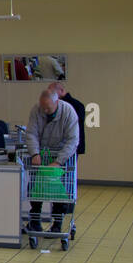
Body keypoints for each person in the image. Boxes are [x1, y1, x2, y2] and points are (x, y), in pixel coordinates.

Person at [23, 89, 78, 235]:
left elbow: (73, 140)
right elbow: (31, 133)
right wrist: (34, 153)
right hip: (41, 154)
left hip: (60, 155)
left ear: (57, 102)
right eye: (43, 107)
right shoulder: (37, 110)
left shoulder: (68, 112)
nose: (45, 110)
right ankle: (35, 222)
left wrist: (59, 161)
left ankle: (57, 224)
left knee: (60, 192)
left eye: (48, 107)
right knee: (36, 190)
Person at [48, 82, 86, 155]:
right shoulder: (54, 105)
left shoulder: (76, 105)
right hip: (59, 145)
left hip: (70, 145)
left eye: (52, 92)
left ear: (61, 90)